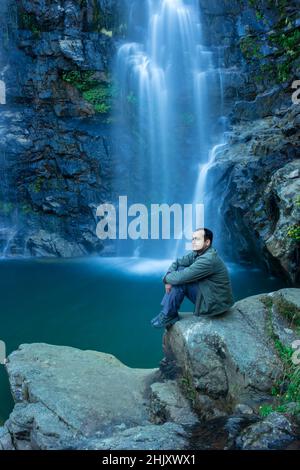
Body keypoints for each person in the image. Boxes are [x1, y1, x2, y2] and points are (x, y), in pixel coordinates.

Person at [151, 228, 234, 329]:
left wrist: (166, 279)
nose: (193, 242)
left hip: (216, 304)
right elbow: (177, 262)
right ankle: (167, 312)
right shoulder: (197, 254)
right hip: (210, 293)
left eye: (197, 239)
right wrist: (168, 275)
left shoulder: (208, 259)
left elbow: (181, 278)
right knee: (180, 270)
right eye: (193, 239)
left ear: (207, 242)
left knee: (180, 281)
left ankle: (169, 314)